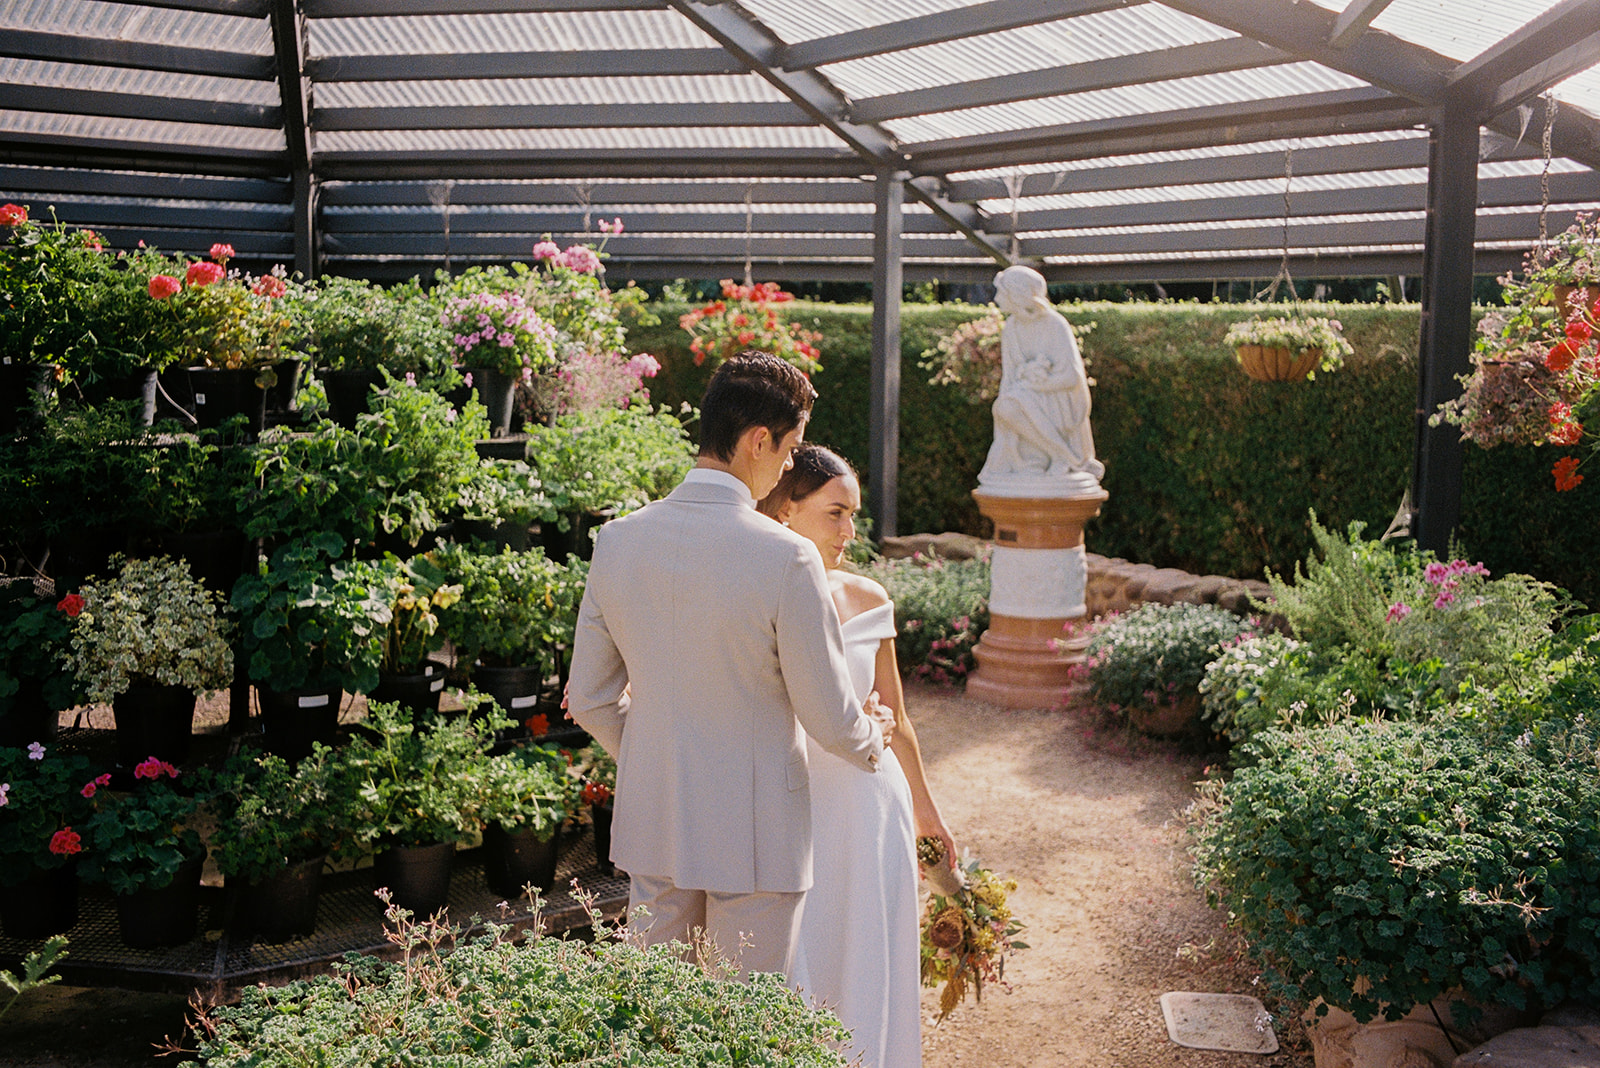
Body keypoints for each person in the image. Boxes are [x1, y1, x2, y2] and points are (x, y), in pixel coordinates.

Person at [566, 350, 887, 979]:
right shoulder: (787, 557)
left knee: (662, 1026)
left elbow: (593, 696)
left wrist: (658, 757)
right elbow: (828, 716)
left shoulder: (618, 540)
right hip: (759, 833)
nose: (792, 464)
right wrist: (873, 737)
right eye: (791, 448)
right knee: (745, 1026)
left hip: (655, 822)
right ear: (758, 440)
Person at [758, 444, 956, 1068]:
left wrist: (927, 815)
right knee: (807, 952)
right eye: (835, 512)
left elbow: (899, 721)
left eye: (854, 515)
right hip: (801, 805)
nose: (849, 531)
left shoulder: (869, 597)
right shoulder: (759, 591)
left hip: (873, 803)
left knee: (871, 951)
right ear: (787, 510)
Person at [978, 263, 1104, 490]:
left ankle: (1067, 458)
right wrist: (1004, 431)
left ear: (1017, 295)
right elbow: (1009, 378)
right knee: (1003, 408)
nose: (996, 297)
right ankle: (1053, 456)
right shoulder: (1011, 328)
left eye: (1002, 292)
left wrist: (1036, 385)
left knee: (1011, 403)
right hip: (1027, 396)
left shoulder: (1055, 325)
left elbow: (1072, 378)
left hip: (1059, 401)